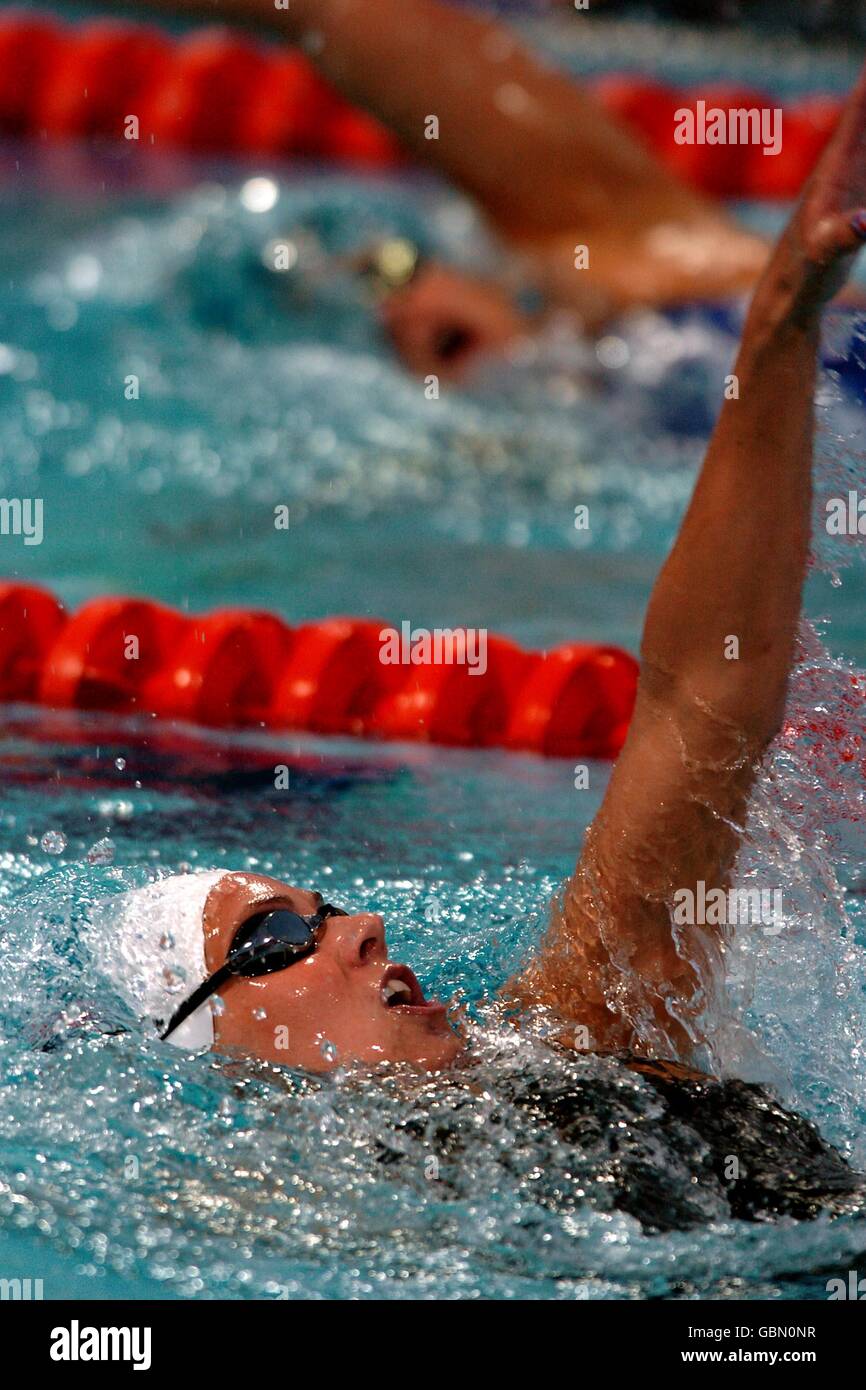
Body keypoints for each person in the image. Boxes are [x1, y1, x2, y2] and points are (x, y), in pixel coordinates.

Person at [94, 56, 866, 1229]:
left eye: (323, 908)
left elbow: (703, 693)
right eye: (275, 939)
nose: (359, 930)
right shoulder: (269, 1221)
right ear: (208, 1042)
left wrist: (775, 329)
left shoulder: (574, 1035)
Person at [96, 0, 772, 375]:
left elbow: (332, 10)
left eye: (399, 270)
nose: (400, 313)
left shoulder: (638, 251)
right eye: (381, 335)